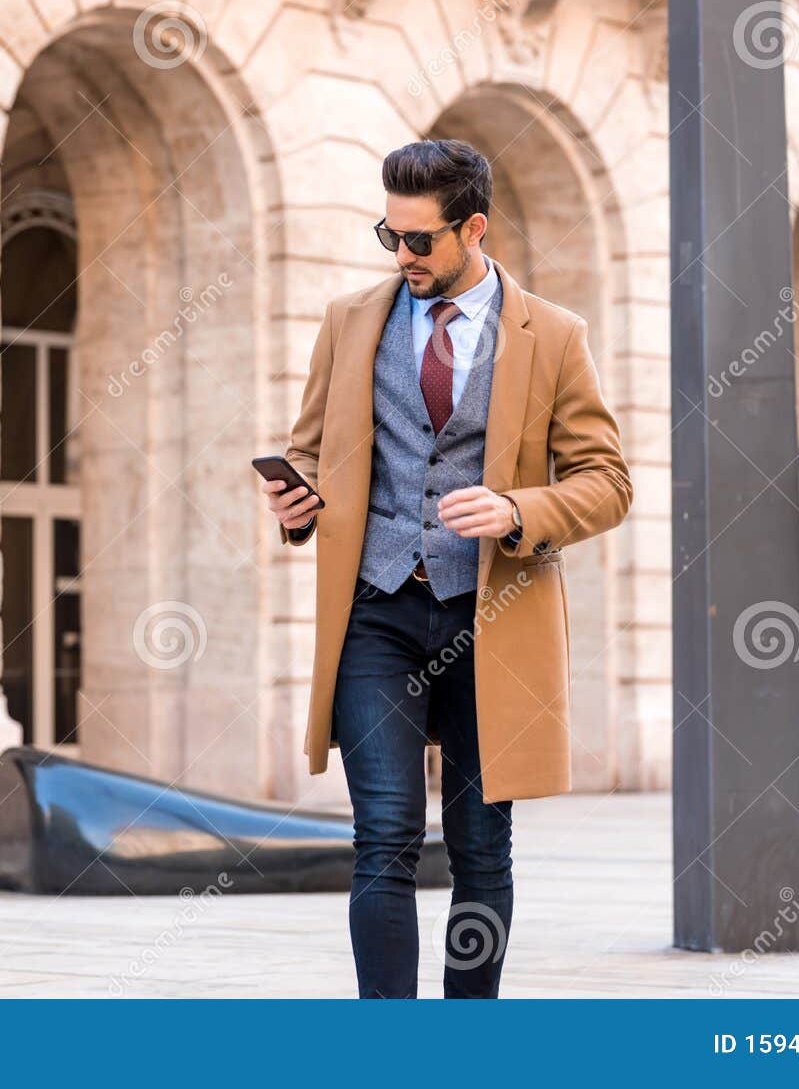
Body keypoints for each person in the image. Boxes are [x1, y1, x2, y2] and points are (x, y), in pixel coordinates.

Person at [260, 138, 633, 997]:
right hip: (377, 609)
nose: (403, 255)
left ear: (473, 229)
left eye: (420, 239)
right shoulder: (349, 321)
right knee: (385, 834)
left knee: (480, 847)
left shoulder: (554, 336)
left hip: (489, 618)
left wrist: (518, 511)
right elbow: (309, 450)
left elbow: (608, 482)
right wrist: (297, 498)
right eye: (389, 235)